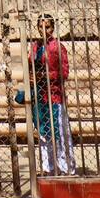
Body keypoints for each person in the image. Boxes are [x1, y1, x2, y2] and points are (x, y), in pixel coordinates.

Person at [29, 15, 76, 176]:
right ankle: (48, 167)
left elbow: (64, 72)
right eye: (41, 27)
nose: (44, 31)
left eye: (47, 27)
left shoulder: (58, 47)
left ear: (52, 28)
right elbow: (30, 67)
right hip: (40, 97)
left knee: (61, 133)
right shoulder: (34, 47)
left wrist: (46, 75)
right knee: (44, 133)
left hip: (55, 96)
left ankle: (65, 167)